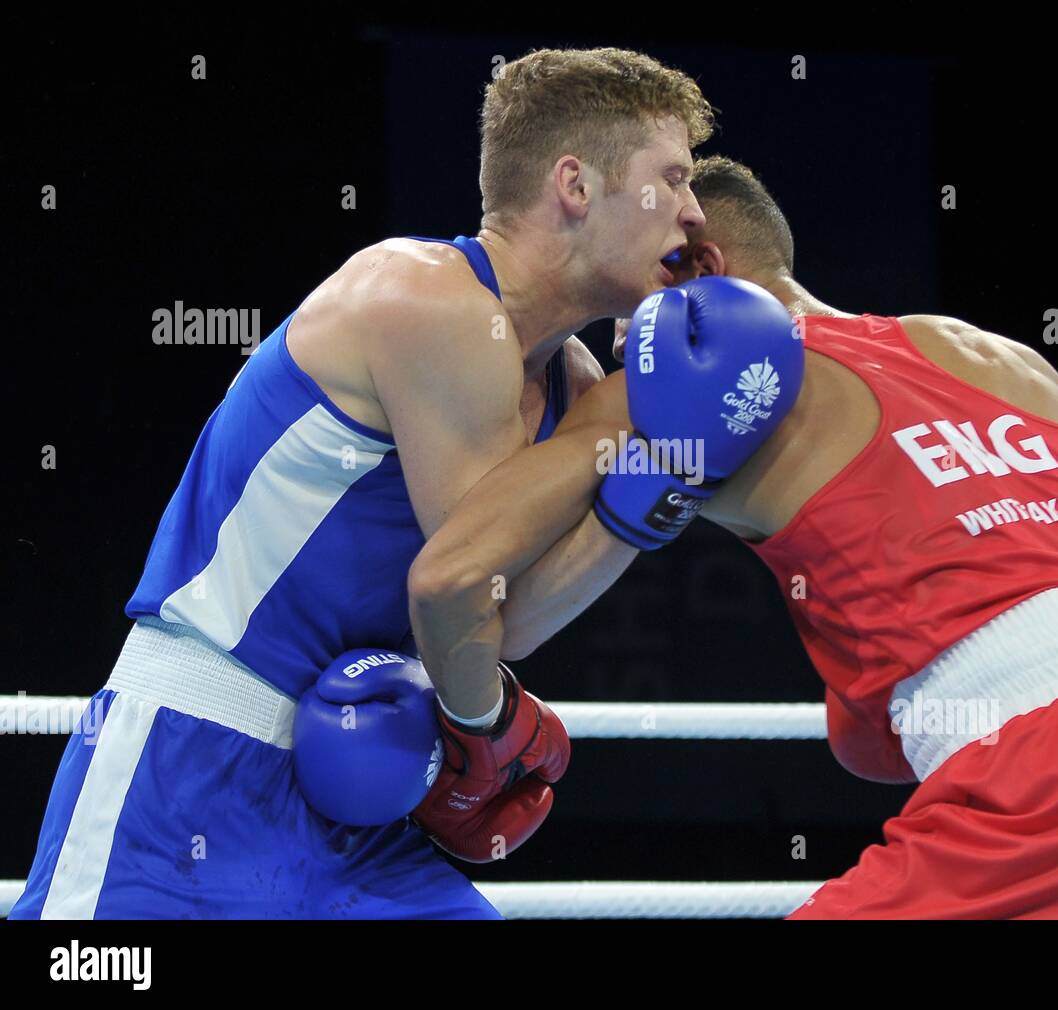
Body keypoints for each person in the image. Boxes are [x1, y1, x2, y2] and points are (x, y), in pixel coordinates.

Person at [409, 155, 1058, 919]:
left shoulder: (689, 380)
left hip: (1054, 794)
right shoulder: (995, 357)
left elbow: (471, 585)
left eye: (631, 305)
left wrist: (479, 718)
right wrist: (946, 701)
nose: (621, 341)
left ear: (703, 267)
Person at [9, 47, 714, 920]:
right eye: (673, 178)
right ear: (575, 183)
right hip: (189, 769)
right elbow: (463, 574)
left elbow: (505, 616)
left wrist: (654, 471)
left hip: (360, 812)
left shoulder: (569, 378)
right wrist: (623, 429)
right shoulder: (423, 296)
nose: (692, 211)